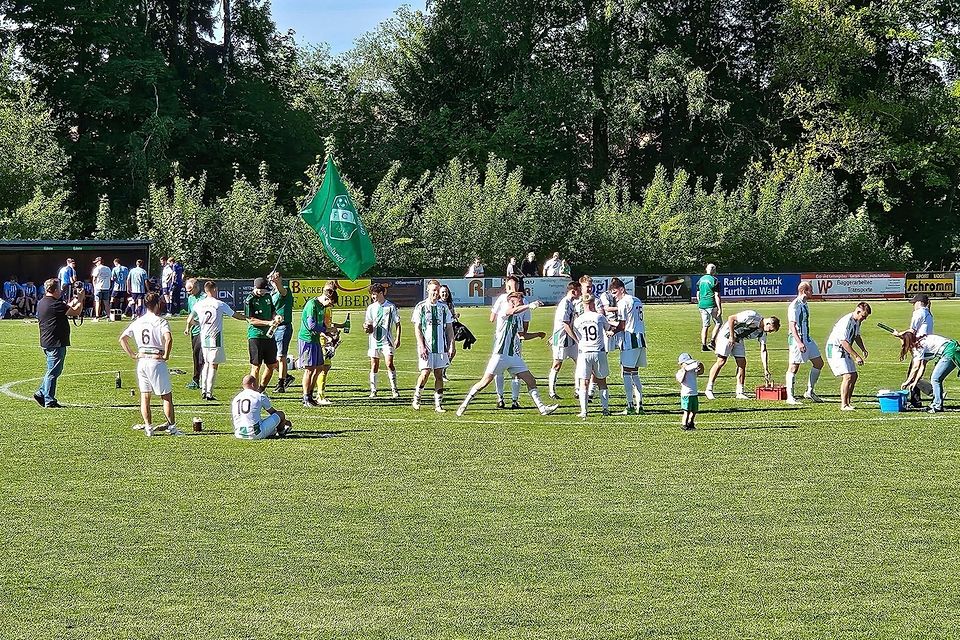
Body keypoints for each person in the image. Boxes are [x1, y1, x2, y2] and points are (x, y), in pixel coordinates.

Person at [457, 292, 558, 416]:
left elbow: (521, 335)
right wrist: (529, 306)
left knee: (531, 381)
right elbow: (511, 312)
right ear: (511, 301)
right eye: (519, 298)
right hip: (500, 355)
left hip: (514, 356)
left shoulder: (517, 318)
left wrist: (537, 334)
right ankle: (464, 405)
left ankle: (542, 408)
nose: (522, 300)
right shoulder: (505, 311)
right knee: (484, 382)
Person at [119, 292, 182, 436]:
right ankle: (172, 428)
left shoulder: (138, 321)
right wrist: (166, 355)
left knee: (145, 396)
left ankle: (148, 427)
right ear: (158, 304)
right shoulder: (160, 321)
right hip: (156, 360)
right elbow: (169, 338)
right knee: (166, 396)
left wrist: (133, 355)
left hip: (142, 361)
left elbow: (123, 338)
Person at [186, 281, 245, 401]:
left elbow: (190, 320)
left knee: (206, 363)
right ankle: (209, 393)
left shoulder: (199, 304)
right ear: (214, 290)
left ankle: (203, 389)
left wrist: (199, 324)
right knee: (213, 364)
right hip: (215, 337)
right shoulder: (219, 304)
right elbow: (235, 315)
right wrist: (246, 318)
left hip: (204, 336)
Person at [704, 310, 780, 400]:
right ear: (768, 323)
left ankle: (740, 391)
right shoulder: (752, 315)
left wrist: (765, 369)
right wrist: (732, 337)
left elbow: (763, 350)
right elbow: (731, 318)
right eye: (770, 330)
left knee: (742, 363)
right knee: (721, 361)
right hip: (727, 335)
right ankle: (709, 389)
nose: (769, 332)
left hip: (738, 339)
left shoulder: (762, 332)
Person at [490, 276, 541, 409]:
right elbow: (492, 317)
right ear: (506, 286)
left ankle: (514, 400)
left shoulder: (524, 301)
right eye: (510, 286)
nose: (513, 289)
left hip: (515, 340)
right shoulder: (502, 299)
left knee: (516, 372)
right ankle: (500, 397)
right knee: (498, 370)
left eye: (515, 286)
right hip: (501, 339)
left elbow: (524, 327)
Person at [33, 279, 84, 408]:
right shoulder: (56, 304)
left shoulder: (43, 302)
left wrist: (76, 299)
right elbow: (75, 312)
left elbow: (66, 308)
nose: (61, 291)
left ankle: (41, 393)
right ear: (55, 290)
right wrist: (81, 299)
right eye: (59, 289)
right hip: (55, 342)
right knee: (54, 371)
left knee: (53, 369)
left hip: (47, 340)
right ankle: (49, 400)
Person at [412, 279, 456, 411]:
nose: (436, 293)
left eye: (438, 290)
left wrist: (451, 344)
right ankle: (417, 398)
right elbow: (417, 328)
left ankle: (438, 404)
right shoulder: (421, 307)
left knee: (439, 374)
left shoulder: (443, 308)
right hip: (427, 346)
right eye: (434, 290)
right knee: (425, 373)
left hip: (441, 347)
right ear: (428, 290)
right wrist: (421, 345)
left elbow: (449, 327)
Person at [609, 277, 646, 414]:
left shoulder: (623, 302)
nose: (614, 296)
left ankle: (630, 406)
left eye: (614, 292)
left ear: (621, 289)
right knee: (635, 373)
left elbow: (623, 325)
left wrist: (612, 332)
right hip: (640, 338)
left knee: (626, 373)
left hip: (630, 339)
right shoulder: (637, 300)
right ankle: (639, 405)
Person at [825, 302, 871, 411]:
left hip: (843, 348)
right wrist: (856, 356)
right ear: (858, 311)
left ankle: (848, 402)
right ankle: (844, 404)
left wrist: (863, 349)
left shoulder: (856, 322)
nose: (864, 319)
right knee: (848, 376)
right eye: (863, 316)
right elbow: (844, 342)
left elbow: (856, 336)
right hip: (835, 348)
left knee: (854, 375)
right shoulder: (846, 322)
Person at [785, 281, 824, 404]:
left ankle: (809, 391)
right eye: (810, 290)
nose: (812, 292)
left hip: (807, 338)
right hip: (797, 340)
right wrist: (799, 342)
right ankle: (790, 397)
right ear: (804, 291)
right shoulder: (795, 305)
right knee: (793, 367)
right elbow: (792, 325)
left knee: (819, 363)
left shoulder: (805, 303)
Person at [893, 294, 934, 408]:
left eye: (914, 303)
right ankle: (919, 398)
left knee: (913, 372)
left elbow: (912, 331)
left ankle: (928, 394)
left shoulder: (918, 313)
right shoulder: (928, 313)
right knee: (917, 372)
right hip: (928, 346)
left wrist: (899, 334)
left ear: (919, 302)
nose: (913, 306)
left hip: (920, 345)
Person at [573, 293, 610, 418]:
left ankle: (584, 411)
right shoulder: (599, 317)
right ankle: (605, 409)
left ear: (583, 304)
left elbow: (577, 336)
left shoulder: (578, 320)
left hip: (584, 352)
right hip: (598, 351)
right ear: (593, 303)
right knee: (602, 381)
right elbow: (607, 328)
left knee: (584, 382)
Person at [364, 283, 402, 398]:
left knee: (389, 364)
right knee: (374, 365)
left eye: (374, 294)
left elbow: (398, 324)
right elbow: (367, 324)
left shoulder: (390, 307)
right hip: (374, 341)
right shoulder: (371, 308)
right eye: (372, 295)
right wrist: (366, 327)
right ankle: (373, 390)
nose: (373, 297)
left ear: (381, 293)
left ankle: (394, 389)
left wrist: (398, 338)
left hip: (387, 340)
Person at [244, 277, 279, 392]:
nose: (262, 292)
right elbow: (251, 320)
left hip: (269, 335)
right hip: (256, 336)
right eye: (260, 290)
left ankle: (261, 390)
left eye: (264, 290)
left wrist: (276, 317)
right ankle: (252, 391)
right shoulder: (249, 300)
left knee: (271, 364)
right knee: (256, 365)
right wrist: (268, 322)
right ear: (255, 288)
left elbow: (273, 311)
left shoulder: (268, 296)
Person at [231, 375, 293, 440]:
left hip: (239, 434)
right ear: (253, 384)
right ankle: (282, 431)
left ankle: (274, 431)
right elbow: (273, 412)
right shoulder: (259, 396)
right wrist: (285, 421)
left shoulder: (236, 398)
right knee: (280, 414)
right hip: (255, 434)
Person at [298, 290, 331, 407]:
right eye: (330, 303)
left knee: (319, 367)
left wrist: (329, 334)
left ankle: (310, 396)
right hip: (307, 340)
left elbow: (321, 325)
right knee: (309, 369)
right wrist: (327, 330)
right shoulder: (312, 304)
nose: (330, 306)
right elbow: (311, 325)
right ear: (326, 298)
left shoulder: (322, 307)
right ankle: (306, 397)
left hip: (316, 340)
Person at [548, 281, 581, 399]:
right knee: (557, 364)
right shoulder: (565, 303)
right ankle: (551, 391)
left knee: (580, 362)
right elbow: (565, 324)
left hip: (569, 339)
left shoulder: (571, 303)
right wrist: (577, 340)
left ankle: (578, 389)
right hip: (561, 339)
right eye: (579, 290)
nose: (581, 293)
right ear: (573, 291)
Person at [315, 283, 343, 404]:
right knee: (323, 368)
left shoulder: (327, 308)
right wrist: (329, 337)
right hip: (322, 340)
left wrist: (334, 333)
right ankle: (319, 396)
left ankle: (319, 394)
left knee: (325, 367)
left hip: (325, 339)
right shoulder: (322, 308)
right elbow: (320, 327)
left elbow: (327, 325)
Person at [270, 271, 295, 393]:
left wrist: (277, 282)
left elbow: (282, 291)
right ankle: (287, 376)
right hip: (273, 327)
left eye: (275, 277)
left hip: (283, 327)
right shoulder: (271, 293)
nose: (272, 279)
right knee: (270, 358)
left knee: (281, 356)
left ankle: (281, 383)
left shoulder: (284, 289)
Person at [440, 284, 476, 351]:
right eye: (443, 292)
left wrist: (455, 315)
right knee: (448, 350)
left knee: (452, 351)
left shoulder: (450, 303)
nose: (445, 294)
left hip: (450, 327)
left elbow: (452, 315)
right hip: (442, 329)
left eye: (446, 292)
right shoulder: (438, 304)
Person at [183, 278, 204, 390]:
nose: (188, 293)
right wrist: (188, 327)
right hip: (194, 330)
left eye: (190, 290)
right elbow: (190, 315)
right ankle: (196, 380)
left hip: (204, 330)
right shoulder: (190, 298)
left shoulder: (204, 298)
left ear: (196, 287)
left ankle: (201, 380)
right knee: (196, 356)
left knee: (202, 357)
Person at [697, 264, 722, 352]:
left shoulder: (701, 279)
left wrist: (699, 302)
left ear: (706, 269)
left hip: (702, 305)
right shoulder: (714, 280)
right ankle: (712, 342)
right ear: (714, 271)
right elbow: (717, 295)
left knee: (705, 325)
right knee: (718, 323)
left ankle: (703, 345)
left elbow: (698, 293)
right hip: (711, 304)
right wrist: (719, 308)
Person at [677, 353, 704, 430]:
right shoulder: (680, 372)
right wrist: (684, 370)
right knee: (687, 411)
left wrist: (700, 366)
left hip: (694, 393)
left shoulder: (693, 371)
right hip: (686, 394)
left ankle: (691, 423)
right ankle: (684, 424)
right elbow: (680, 380)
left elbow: (701, 372)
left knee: (694, 410)